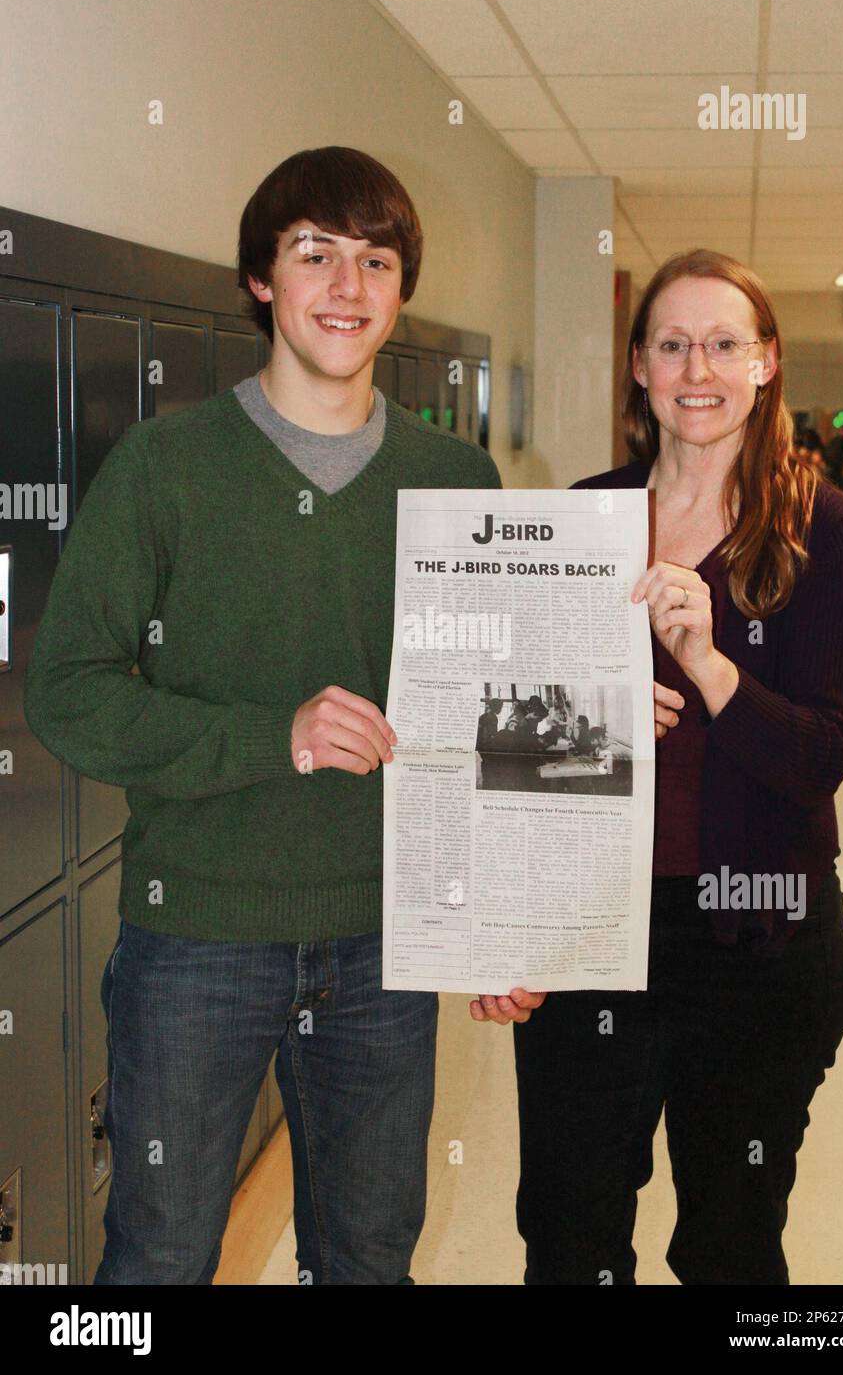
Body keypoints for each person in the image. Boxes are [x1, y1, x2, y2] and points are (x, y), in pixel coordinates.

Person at [23, 144, 539, 1286]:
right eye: (315, 254)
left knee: (366, 1258)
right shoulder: (166, 467)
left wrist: (501, 921)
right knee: (157, 1257)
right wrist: (276, 734)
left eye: (375, 260)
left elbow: (492, 725)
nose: (346, 286)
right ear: (262, 278)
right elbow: (68, 690)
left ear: (401, 291)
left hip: (383, 948)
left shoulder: (454, 483)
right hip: (196, 935)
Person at [511, 248, 843, 1285]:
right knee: (568, 1235)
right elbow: (517, 756)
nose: (697, 367)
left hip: (758, 941)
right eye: (671, 344)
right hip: (593, 933)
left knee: (727, 1242)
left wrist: (711, 668)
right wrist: (509, 926)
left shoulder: (820, 531)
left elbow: (818, 757)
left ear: (764, 362)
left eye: (724, 343)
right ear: (637, 366)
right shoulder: (579, 524)